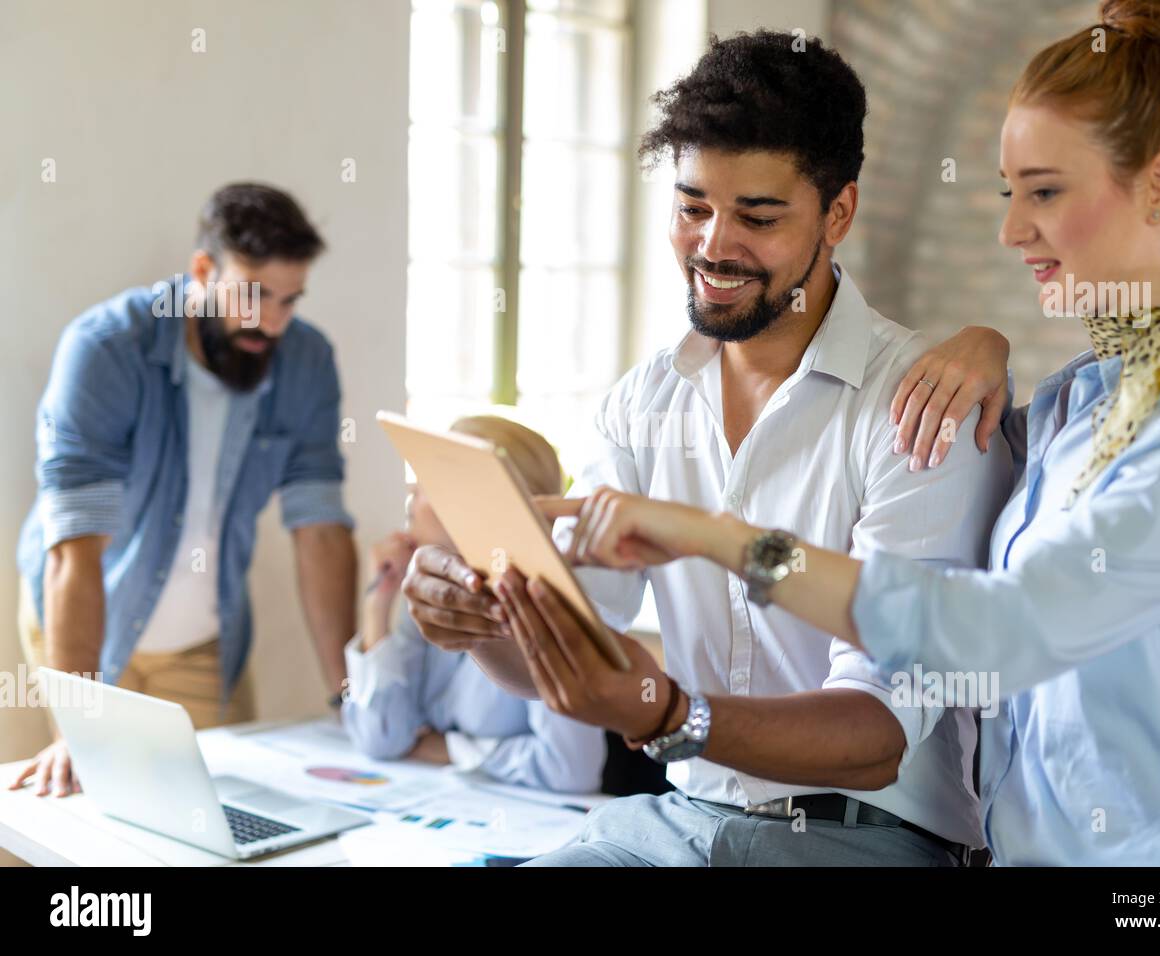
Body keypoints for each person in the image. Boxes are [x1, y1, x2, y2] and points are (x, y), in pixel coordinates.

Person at [513, 0, 1160, 866]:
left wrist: (712, 540)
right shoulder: (1078, 404)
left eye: (1044, 191)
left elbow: (1001, 629)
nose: (1010, 230)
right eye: (1011, 193)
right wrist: (985, 344)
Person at [404, 31, 1012, 866]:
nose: (714, 246)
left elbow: (877, 738)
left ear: (839, 213)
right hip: (681, 816)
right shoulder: (643, 402)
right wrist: (476, 620)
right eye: (693, 208)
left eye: (758, 216)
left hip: (864, 838)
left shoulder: (919, 407)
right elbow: (575, 647)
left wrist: (669, 714)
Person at [11, 183, 358, 798]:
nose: (272, 323)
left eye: (289, 300)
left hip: (205, 639)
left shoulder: (306, 362)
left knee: (209, 818)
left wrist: (348, 698)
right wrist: (80, 724)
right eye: (254, 295)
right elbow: (74, 548)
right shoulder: (107, 349)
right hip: (87, 619)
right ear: (203, 270)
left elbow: (321, 529)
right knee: (92, 801)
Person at [341, 416, 606, 793]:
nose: (411, 501)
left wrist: (451, 749)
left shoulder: (548, 604)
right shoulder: (431, 595)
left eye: (425, 486)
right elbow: (381, 738)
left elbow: (571, 770)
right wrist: (378, 603)